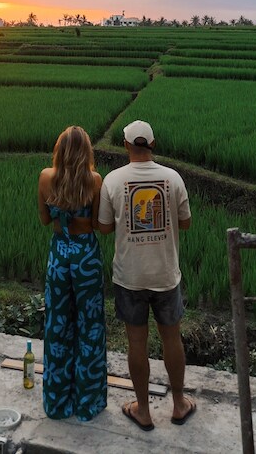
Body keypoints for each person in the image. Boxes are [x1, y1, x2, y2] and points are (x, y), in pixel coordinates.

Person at [98, 119, 195, 431]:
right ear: (152, 144)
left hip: (130, 276)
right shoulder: (172, 178)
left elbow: (104, 227)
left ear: (126, 145)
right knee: (172, 338)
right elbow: (186, 222)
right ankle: (179, 404)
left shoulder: (113, 180)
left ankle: (143, 410)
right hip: (165, 274)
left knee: (136, 342)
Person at [38, 125, 107, 421]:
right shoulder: (95, 180)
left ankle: (56, 402)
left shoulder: (46, 177)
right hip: (86, 257)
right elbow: (96, 224)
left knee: (57, 324)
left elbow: (44, 219)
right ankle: (87, 403)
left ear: (60, 150)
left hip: (59, 256)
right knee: (90, 326)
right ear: (86, 152)